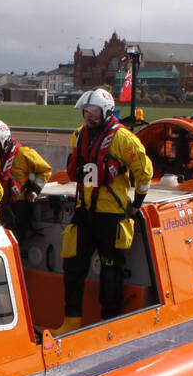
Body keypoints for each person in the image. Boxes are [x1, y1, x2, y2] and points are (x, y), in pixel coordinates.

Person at [55, 88, 153, 334]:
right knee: (73, 267)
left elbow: (144, 171)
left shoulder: (124, 139)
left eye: (94, 110)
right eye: (86, 111)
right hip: (84, 211)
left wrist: (137, 203)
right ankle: (72, 321)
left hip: (112, 215)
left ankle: (108, 323)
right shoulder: (79, 136)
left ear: (107, 110)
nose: (88, 115)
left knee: (111, 270)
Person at [0, 119, 52, 245]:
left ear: (4, 142)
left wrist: (34, 189)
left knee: (16, 241)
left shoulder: (23, 153)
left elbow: (45, 170)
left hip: (18, 207)